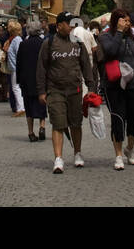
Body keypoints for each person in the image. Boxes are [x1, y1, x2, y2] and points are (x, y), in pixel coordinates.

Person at [38, 12, 97, 173]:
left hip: (75, 89)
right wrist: (41, 91)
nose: (72, 26)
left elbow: (86, 66)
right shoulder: (49, 43)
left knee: (75, 123)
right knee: (58, 123)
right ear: (59, 25)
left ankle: (77, 153)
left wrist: (91, 88)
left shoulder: (78, 43)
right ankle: (58, 158)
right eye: (68, 23)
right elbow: (41, 68)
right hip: (55, 89)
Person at [96, 8, 134, 169]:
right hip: (114, 85)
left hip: (133, 85)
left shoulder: (132, 38)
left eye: (129, 21)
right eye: (125, 21)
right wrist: (119, 33)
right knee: (118, 118)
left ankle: (130, 148)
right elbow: (111, 52)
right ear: (116, 21)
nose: (128, 23)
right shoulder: (105, 37)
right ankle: (118, 155)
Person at [15, 20, 48, 141]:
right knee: (42, 104)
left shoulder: (23, 44)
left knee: (28, 106)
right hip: (41, 79)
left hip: (26, 79)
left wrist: (18, 80)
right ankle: (42, 126)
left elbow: (19, 64)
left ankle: (30, 132)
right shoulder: (43, 43)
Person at [5, 19, 25, 116]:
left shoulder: (16, 40)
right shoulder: (16, 39)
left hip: (15, 67)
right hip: (15, 67)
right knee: (16, 87)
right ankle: (20, 107)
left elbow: (18, 53)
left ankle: (21, 107)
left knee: (16, 87)